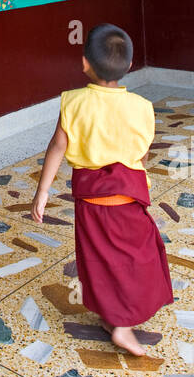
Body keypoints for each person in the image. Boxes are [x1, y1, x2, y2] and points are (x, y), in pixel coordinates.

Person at [30, 23, 173, 356]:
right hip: (127, 198)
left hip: (91, 201)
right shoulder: (142, 107)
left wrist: (43, 192)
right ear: (128, 66)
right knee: (138, 259)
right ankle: (121, 324)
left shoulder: (73, 102)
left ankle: (116, 320)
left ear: (84, 63)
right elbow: (141, 154)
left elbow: (57, 146)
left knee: (99, 261)